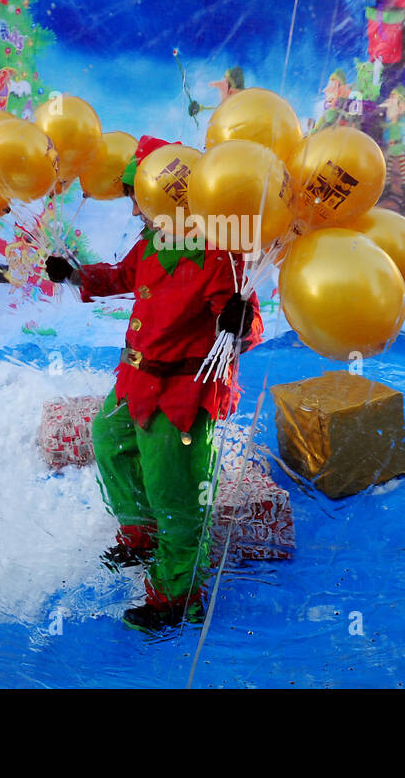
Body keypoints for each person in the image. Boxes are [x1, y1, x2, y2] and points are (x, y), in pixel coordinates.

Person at [45, 136, 262, 633]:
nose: (135, 209)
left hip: (181, 394)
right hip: (135, 381)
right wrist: (77, 276)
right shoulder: (155, 241)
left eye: (140, 197)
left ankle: (175, 593)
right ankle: (141, 533)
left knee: (177, 492)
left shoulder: (217, 250)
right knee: (110, 441)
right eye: (133, 197)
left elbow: (246, 329)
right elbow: (121, 275)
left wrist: (240, 320)